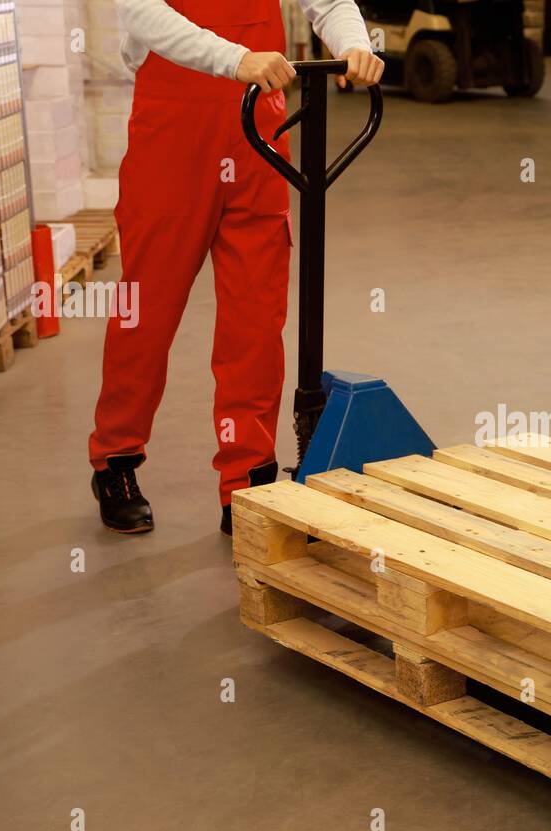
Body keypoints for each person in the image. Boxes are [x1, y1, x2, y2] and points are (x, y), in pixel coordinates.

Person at [89, 0, 383, 535]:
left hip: (258, 137)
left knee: (255, 319)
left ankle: (247, 477)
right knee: (147, 313)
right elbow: (141, 14)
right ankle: (117, 458)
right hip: (173, 140)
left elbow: (328, 3)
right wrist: (237, 59)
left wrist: (353, 45)